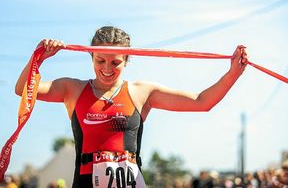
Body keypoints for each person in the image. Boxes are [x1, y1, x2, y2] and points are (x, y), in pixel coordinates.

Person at [15, 26, 248, 187]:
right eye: (100, 61)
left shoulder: (140, 92)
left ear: (127, 60)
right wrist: (39, 58)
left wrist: (233, 73)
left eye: (116, 62)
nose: (107, 68)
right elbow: (22, 90)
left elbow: (201, 101)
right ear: (91, 57)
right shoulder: (72, 89)